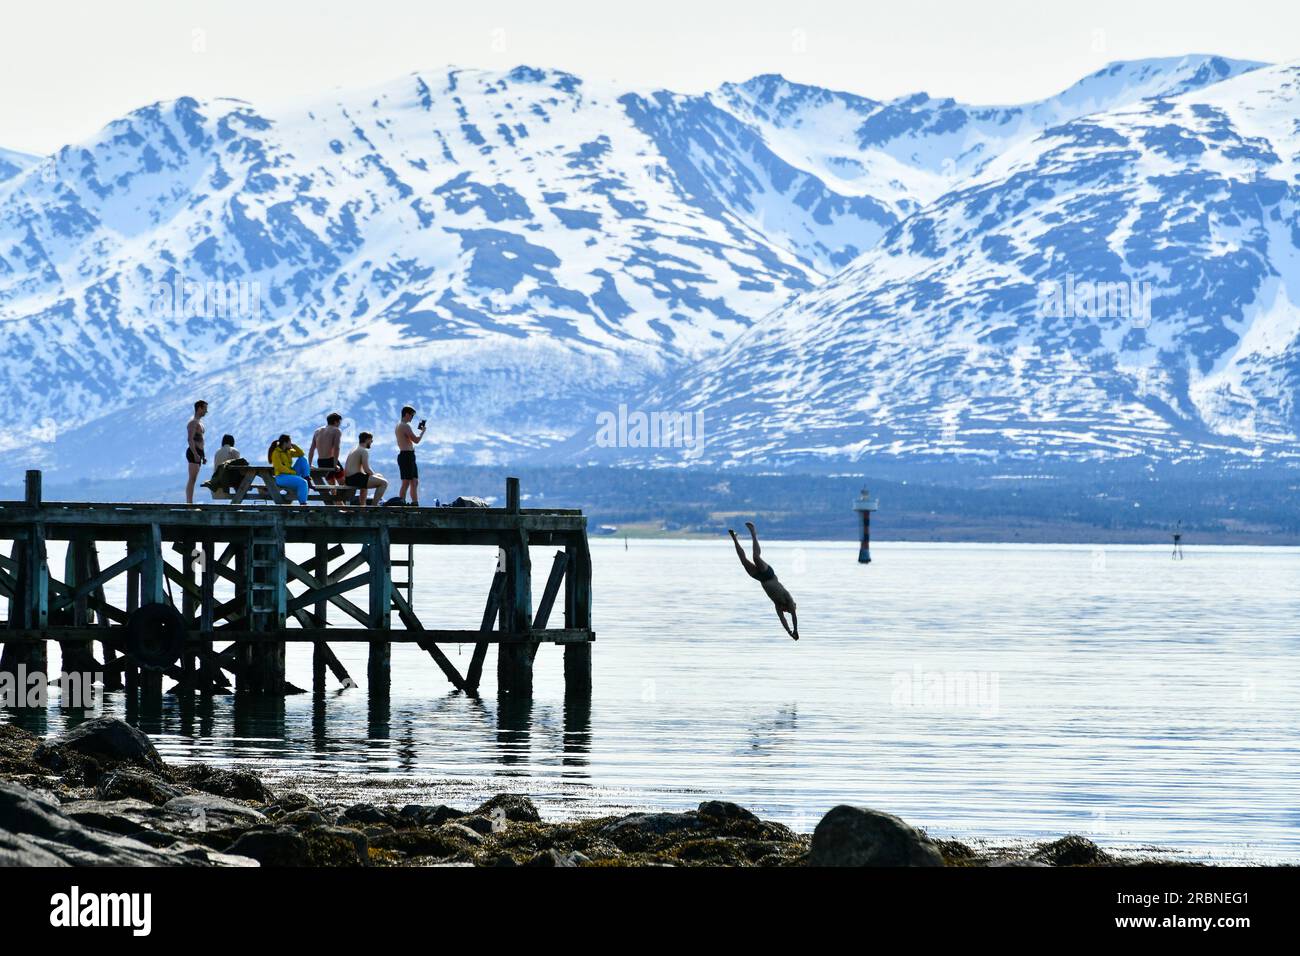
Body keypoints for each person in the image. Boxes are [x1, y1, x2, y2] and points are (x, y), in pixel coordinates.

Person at [729, 521, 799, 640]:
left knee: (744, 561)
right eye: (785, 610)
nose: (782, 610)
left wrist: (789, 632)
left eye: (783, 610)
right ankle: (753, 532)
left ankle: (734, 538)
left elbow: (783, 620)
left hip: (760, 578)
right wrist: (796, 630)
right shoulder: (788, 599)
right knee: (756, 557)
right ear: (788, 608)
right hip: (769, 574)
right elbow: (793, 617)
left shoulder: (777, 605)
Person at [344, 432, 389, 507]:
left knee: (378, 476)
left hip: (350, 478)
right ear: (367, 440)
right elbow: (366, 469)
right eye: (371, 440)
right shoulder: (363, 451)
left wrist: (375, 476)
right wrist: (373, 476)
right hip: (355, 478)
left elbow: (363, 471)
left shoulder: (355, 449)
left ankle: (363, 505)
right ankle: (374, 507)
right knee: (384, 483)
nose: (372, 442)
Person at [395, 405, 426, 507]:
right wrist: (422, 432)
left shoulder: (399, 425)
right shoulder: (404, 426)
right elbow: (416, 440)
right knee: (406, 482)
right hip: (406, 456)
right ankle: (401, 503)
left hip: (409, 455)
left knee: (414, 481)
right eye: (412, 415)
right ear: (407, 414)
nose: (412, 418)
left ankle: (414, 503)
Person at [268, 434, 309, 505]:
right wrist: (292, 472)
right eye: (290, 442)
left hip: (290, 475)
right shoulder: (276, 453)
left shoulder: (288, 451)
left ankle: (307, 477)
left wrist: (294, 446)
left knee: (303, 459)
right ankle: (303, 505)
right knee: (303, 483)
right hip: (281, 477)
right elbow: (279, 467)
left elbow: (301, 454)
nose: (291, 443)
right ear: (285, 443)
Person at [309, 412, 344, 484]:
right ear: (335, 422)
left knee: (332, 486)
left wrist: (309, 464)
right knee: (343, 483)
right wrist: (335, 465)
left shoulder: (317, 431)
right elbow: (337, 448)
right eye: (339, 423)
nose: (339, 425)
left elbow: (312, 449)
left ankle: (333, 494)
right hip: (331, 461)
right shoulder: (336, 430)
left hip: (321, 462)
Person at [185, 400, 208, 504]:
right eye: (205, 409)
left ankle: (190, 502)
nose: (206, 411)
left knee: (194, 478)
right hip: (193, 452)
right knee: (192, 479)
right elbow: (190, 439)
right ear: (199, 408)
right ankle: (189, 502)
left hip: (199, 452)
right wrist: (195, 454)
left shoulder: (200, 423)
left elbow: (201, 439)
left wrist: (203, 455)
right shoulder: (193, 422)